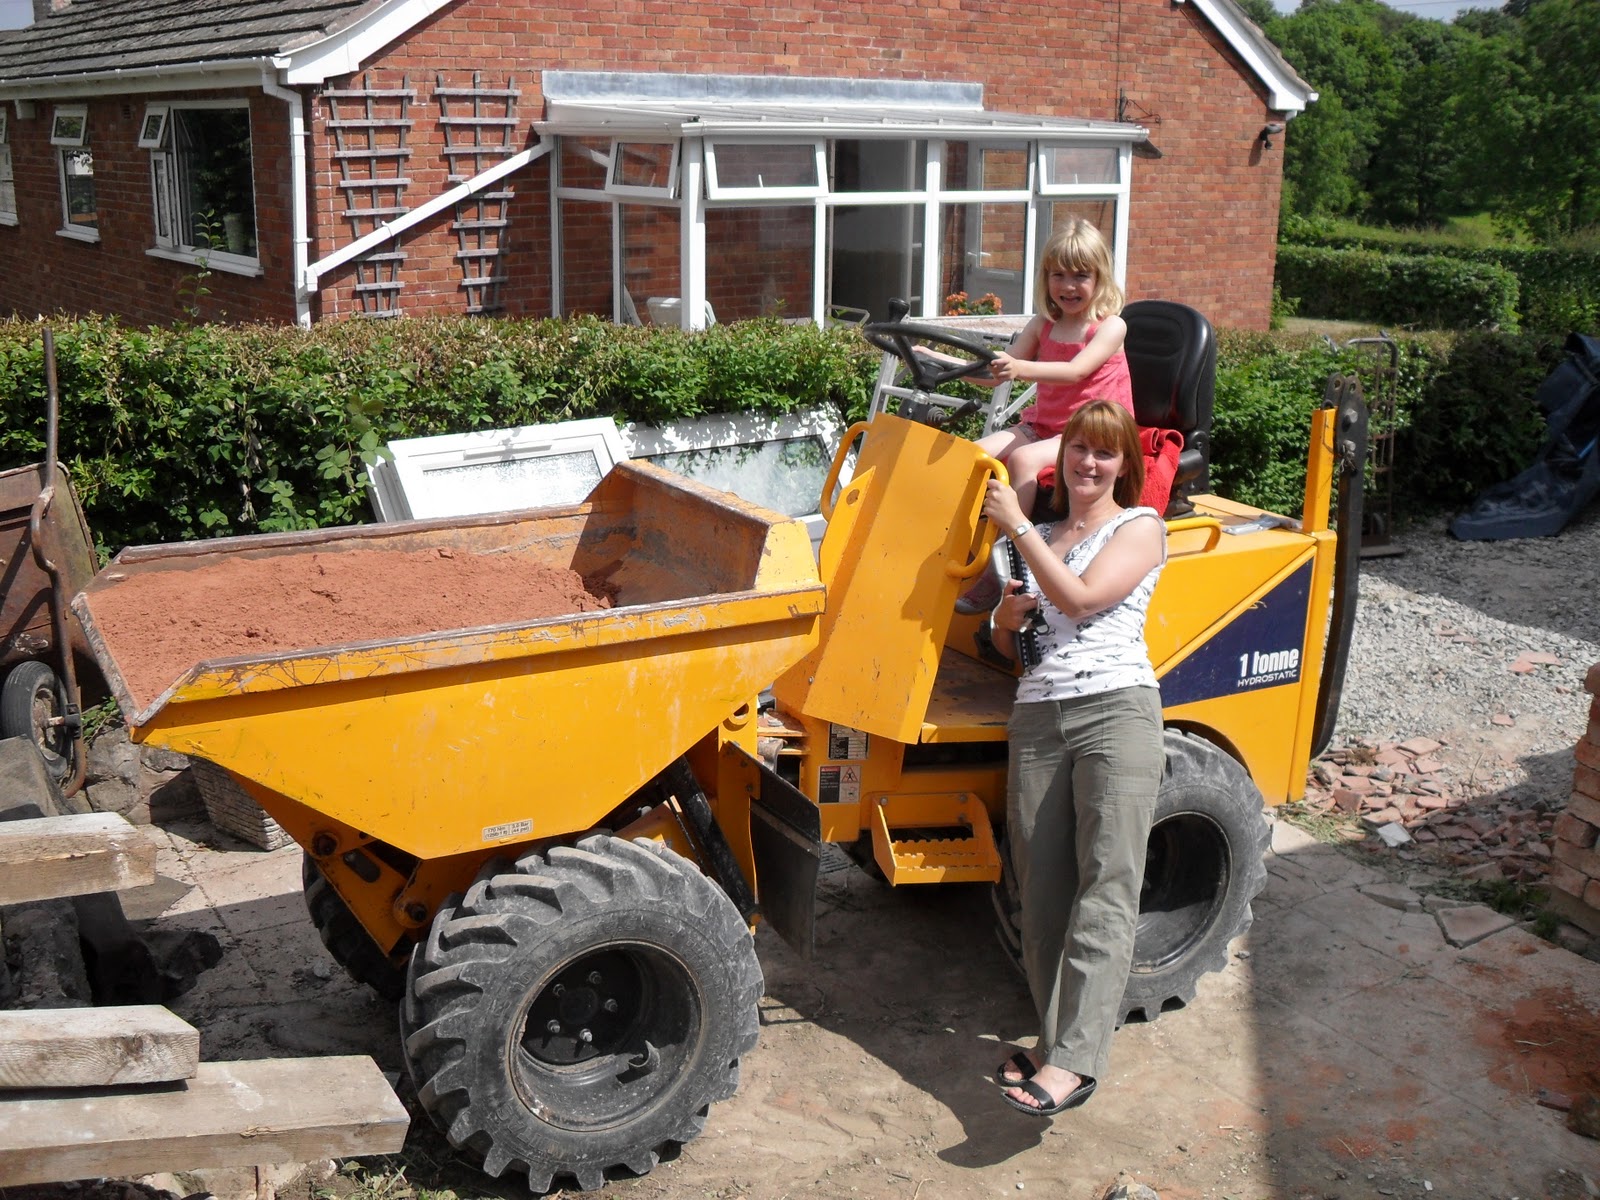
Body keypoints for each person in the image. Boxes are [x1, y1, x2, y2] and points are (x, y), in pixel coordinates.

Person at [981, 399, 1167, 1117]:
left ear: (1126, 465)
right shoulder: (1048, 534)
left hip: (1114, 712)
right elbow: (1017, 646)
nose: (1088, 463)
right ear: (1062, 459)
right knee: (1042, 891)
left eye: (1105, 453)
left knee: (1107, 886)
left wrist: (1018, 528)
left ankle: (1078, 1064)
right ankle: (1059, 1039)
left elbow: (1085, 601)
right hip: (1038, 716)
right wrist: (1002, 621)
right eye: (1079, 450)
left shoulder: (1139, 527)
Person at [955, 219, 1134, 614]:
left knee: (1021, 460)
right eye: (1058, 275)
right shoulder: (1044, 324)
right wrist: (939, 361)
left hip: (1091, 430)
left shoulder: (1110, 328)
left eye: (1080, 276)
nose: (1068, 287)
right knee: (967, 457)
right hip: (1046, 425)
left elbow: (1075, 372)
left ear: (1100, 278)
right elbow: (997, 372)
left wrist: (1019, 368)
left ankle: (1004, 565)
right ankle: (967, 553)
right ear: (1046, 278)